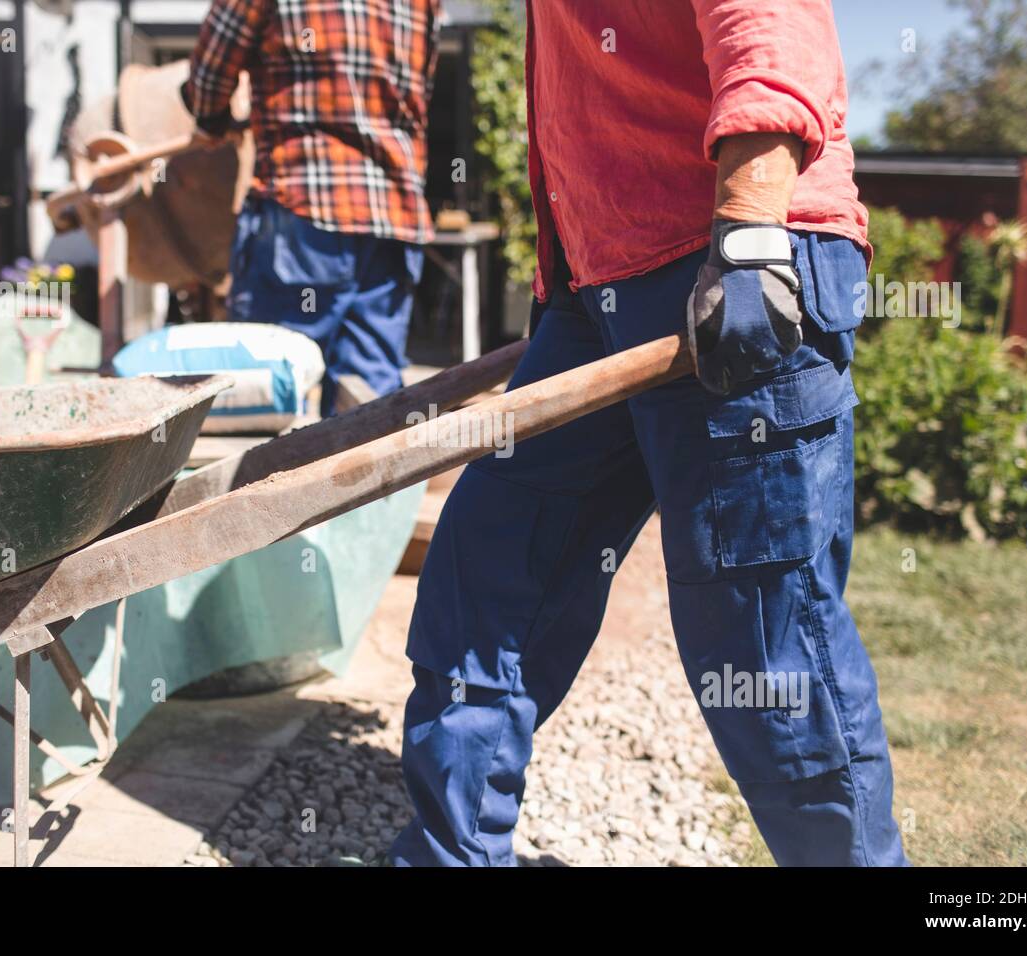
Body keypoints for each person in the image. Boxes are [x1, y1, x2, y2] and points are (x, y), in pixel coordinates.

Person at [390, 0, 910, 867]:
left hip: (739, 257)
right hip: (599, 287)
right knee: (492, 568)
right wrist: (566, 275)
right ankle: (449, 857)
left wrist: (748, 229)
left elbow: (766, 17)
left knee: (762, 650)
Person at [182, 0, 439, 416]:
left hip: (302, 209)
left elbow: (210, 77)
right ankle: (366, 479)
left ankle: (273, 480)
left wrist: (211, 118)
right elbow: (419, 91)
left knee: (271, 386)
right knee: (370, 397)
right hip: (393, 215)